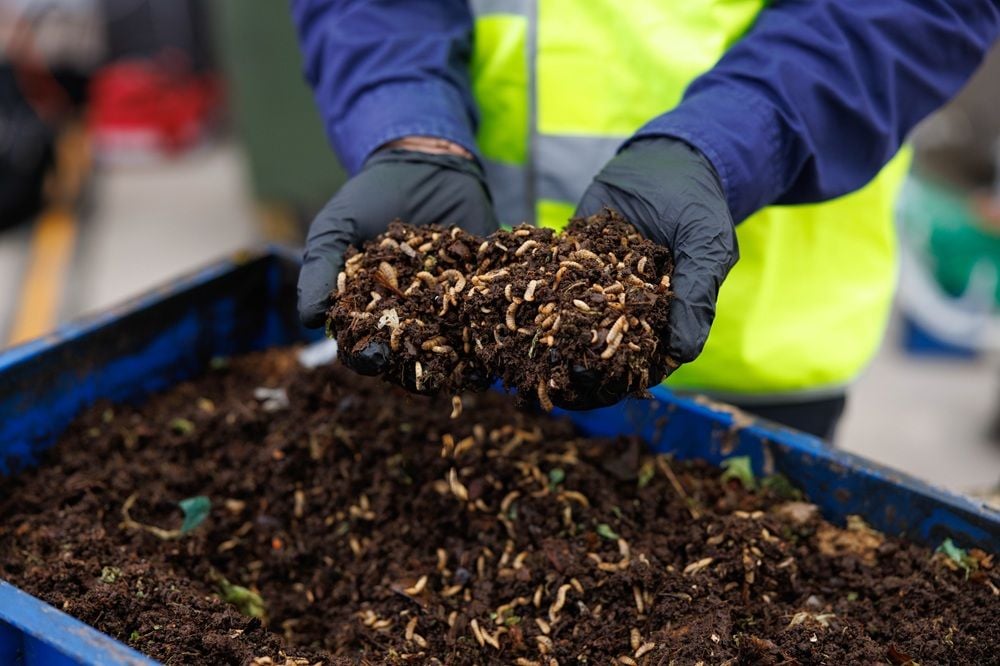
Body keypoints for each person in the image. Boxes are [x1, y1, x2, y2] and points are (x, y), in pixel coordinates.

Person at [290, 0, 1000, 439]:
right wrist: (409, 124)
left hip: (752, 365)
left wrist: (731, 141)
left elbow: (907, 11)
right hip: (470, 362)